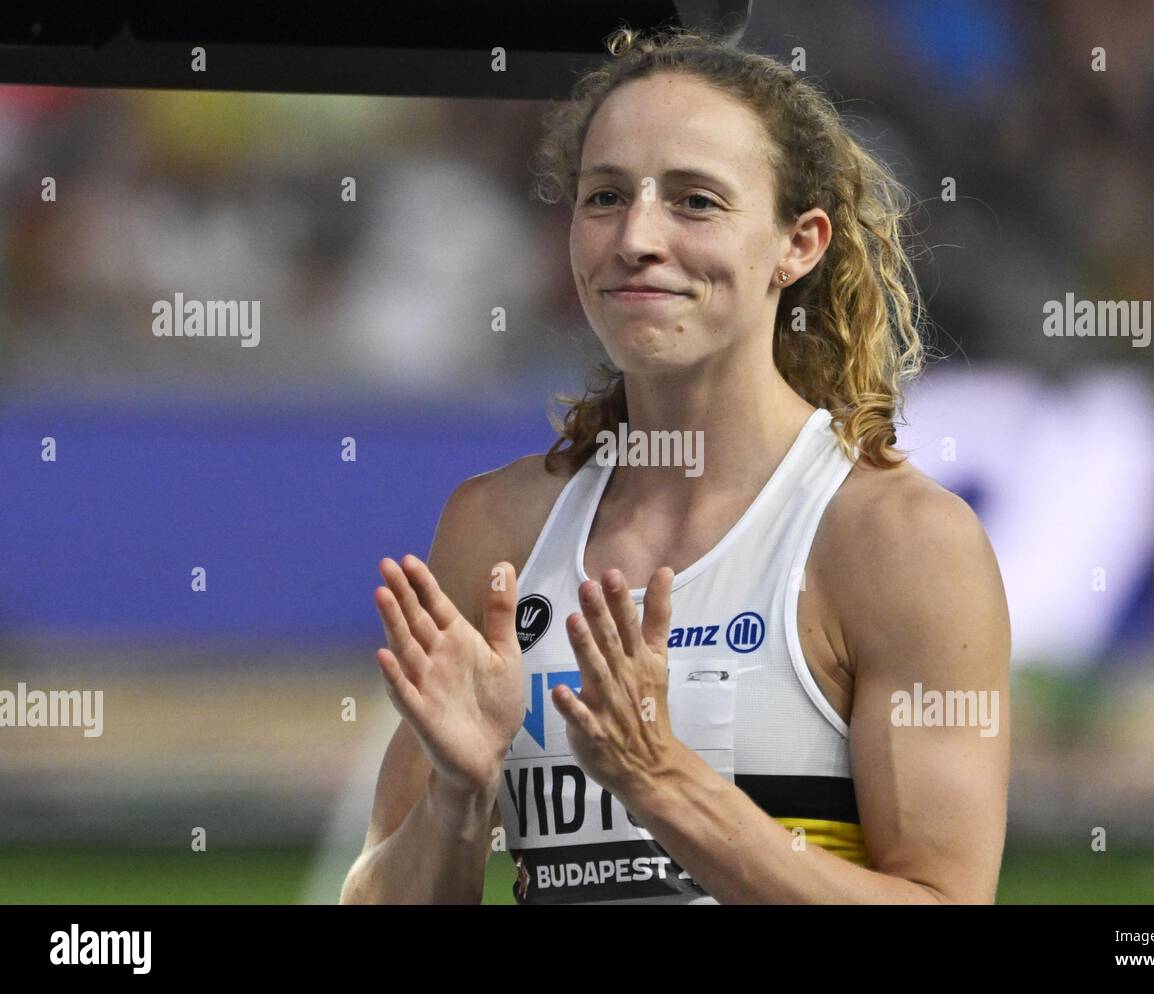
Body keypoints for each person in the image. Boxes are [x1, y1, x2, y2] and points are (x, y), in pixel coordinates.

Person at [340, 26, 1010, 905]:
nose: (637, 238)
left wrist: (663, 782)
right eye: (605, 196)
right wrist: (460, 800)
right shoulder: (499, 531)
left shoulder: (899, 540)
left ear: (799, 244)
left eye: (695, 201)